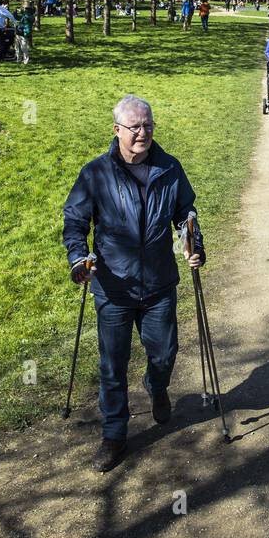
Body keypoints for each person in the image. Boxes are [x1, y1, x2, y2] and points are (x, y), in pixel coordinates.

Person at [62, 95, 205, 472]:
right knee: (113, 363)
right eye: (135, 127)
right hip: (113, 285)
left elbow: (185, 213)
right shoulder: (96, 173)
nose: (143, 133)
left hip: (158, 283)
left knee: (164, 353)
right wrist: (79, 257)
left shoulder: (169, 168)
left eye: (148, 126)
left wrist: (194, 245)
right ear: (117, 130)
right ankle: (114, 435)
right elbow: (75, 219)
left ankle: (157, 387)